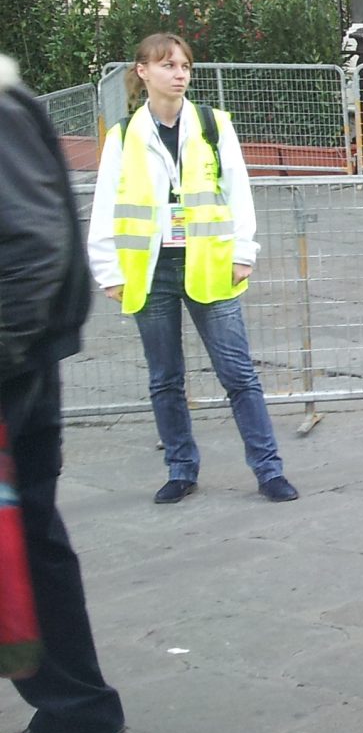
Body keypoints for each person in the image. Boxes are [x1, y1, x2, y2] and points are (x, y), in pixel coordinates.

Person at [85, 34, 298, 504]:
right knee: (165, 377)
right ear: (143, 72)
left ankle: (268, 470)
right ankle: (180, 468)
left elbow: (238, 191)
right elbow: (105, 205)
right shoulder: (124, 135)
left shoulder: (211, 124)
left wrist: (244, 252)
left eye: (184, 66)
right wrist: (108, 270)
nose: (180, 74)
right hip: (150, 267)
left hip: (210, 262)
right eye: (168, 65)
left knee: (239, 372)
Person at [0, 53, 125, 733]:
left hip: (13, 368)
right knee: (30, 538)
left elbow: (30, 247)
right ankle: (76, 706)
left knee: (29, 539)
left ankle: (77, 706)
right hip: (22, 358)